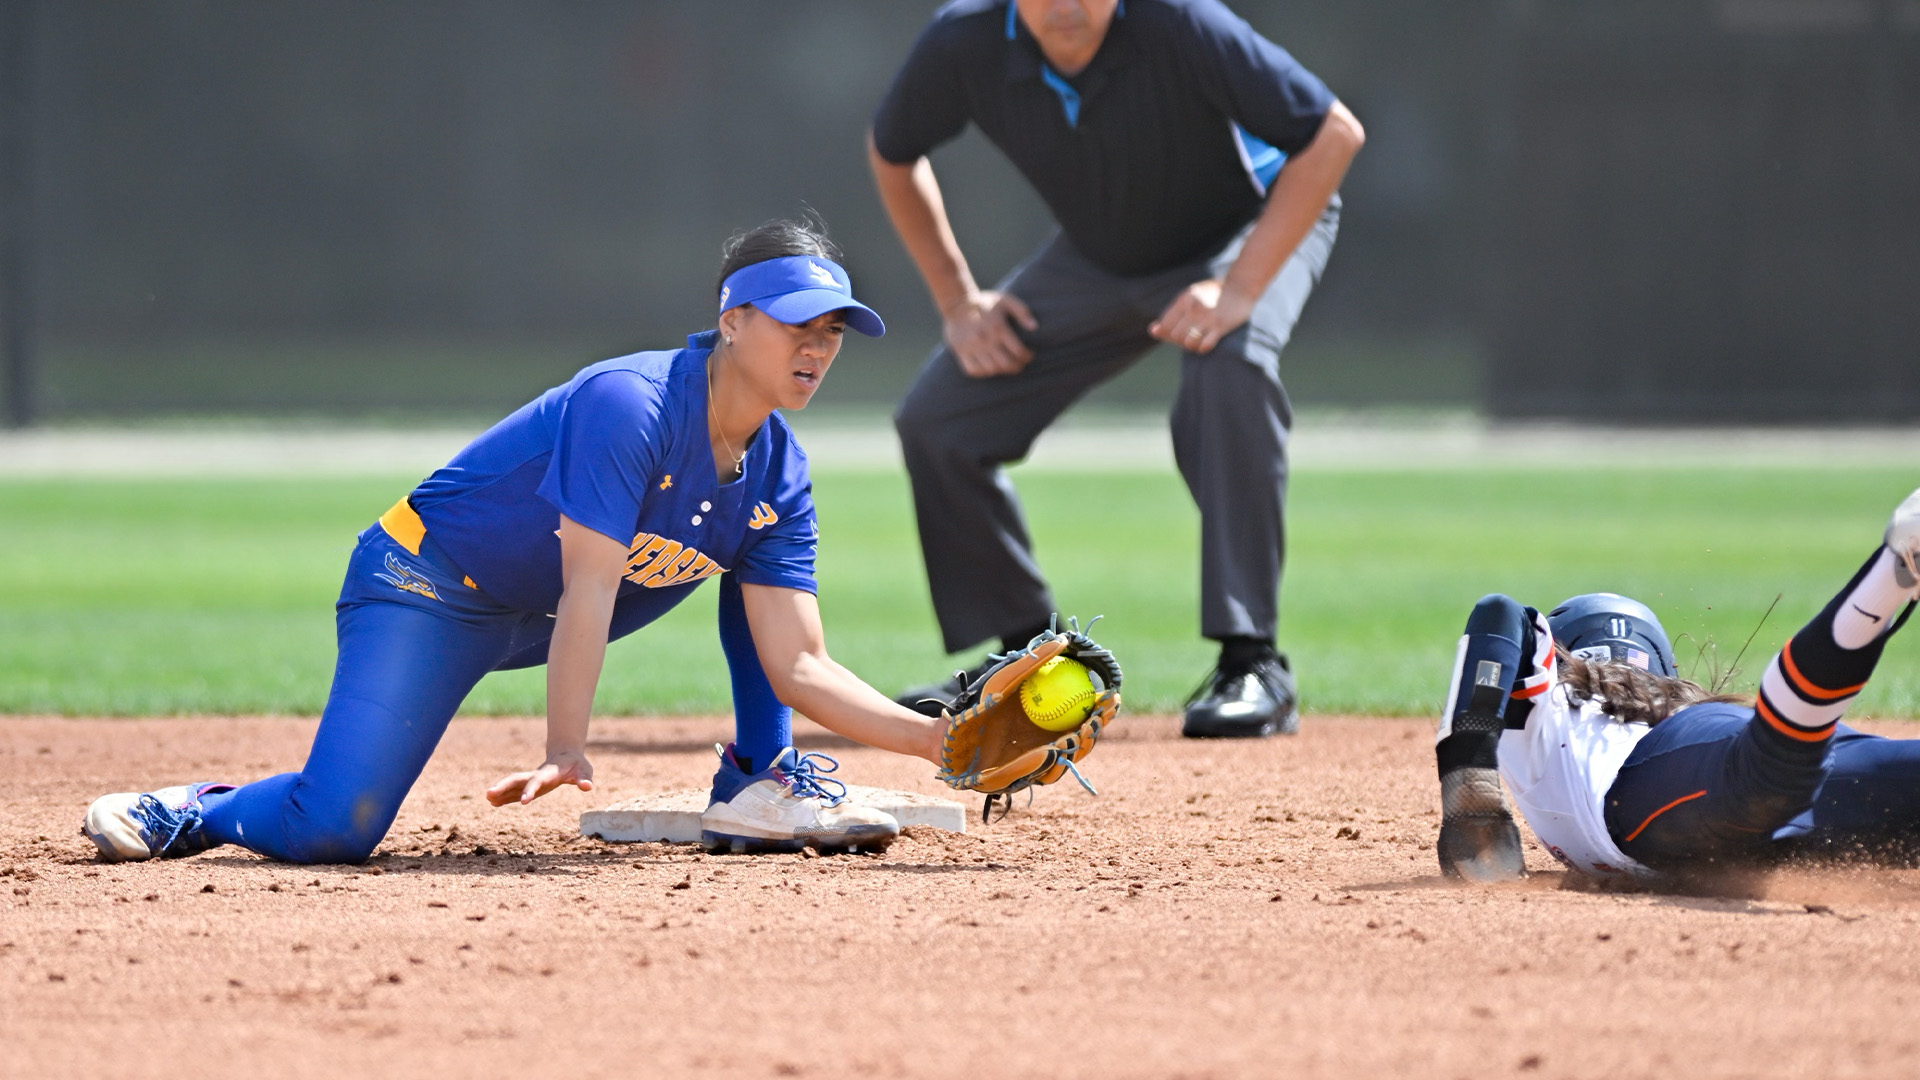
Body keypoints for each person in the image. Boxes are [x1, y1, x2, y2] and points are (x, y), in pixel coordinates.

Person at [81, 219, 954, 864]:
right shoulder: (633, 405)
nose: (817, 344)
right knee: (334, 827)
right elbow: (590, 591)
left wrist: (935, 742)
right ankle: (197, 810)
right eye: (795, 320)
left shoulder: (779, 470)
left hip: (539, 611)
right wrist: (565, 747)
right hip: (427, 586)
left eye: (833, 329)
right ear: (731, 320)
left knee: (750, 559)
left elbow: (799, 664)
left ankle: (760, 778)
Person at [868, 0, 1364, 738]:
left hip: (1244, 229)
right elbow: (894, 151)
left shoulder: (1179, 22)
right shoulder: (963, 42)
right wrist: (958, 300)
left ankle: (1252, 662)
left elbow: (1332, 134)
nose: (1067, 6)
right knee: (939, 418)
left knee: (1229, 365)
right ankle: (1029, 659)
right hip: (1100, 256)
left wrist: (1237, 290)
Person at [1435, 488, 1920, 883]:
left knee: (1768, 774)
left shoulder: (1553, 703)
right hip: (1738, 779)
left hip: (1661, 777)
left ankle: (1890, 570)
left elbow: (1497, 613)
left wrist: (1467, 777)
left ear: (1563, 654)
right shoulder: (1631, 712)